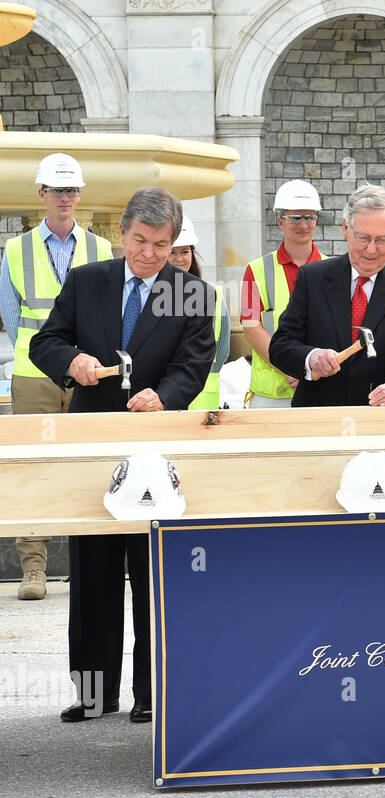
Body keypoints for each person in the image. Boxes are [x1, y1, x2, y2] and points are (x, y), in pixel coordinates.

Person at [28, 188, 215, 723]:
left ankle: (150, 694)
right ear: (121, 234)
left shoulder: (191, 293)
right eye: (140, 241)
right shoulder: (89, 281)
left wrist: (168, 395)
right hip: (93, 442)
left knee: (153, 571)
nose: (150, 253)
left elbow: (194, 362)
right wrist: (73, 361)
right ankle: (93, 693)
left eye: (161, 244)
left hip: (156, 445)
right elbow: (47, 341)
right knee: (91, 572)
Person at [1, 153, 113, 600]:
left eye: (71, 190)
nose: (65, 198)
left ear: (79, 195)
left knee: (93, 463)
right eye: (57, 190)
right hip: (35, 374)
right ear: (41, 194)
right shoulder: (15, 249)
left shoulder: (101, 249)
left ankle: (101, 563)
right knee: (35, 469)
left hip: (87, 372)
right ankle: (33, 567)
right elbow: (12, 317)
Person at [269, 184, 385, 407]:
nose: (371, 250)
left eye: (382, 240)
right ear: (346, 229)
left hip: (383, 419)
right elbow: (281, 345)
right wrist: (310, 358)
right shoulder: (313, 278)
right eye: (363, 238)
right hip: (319, 416)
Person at [239, 180, 327, 408]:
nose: (304, 224)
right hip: (271, 396)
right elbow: (251, 328)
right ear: (281, 222)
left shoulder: (335, 269)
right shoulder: (254, 270)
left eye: (309, 217)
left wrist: (309, 369)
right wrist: (294, 366)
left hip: (323, 388)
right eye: (296, 218)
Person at [168, 215, 230, 410]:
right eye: (173, 252)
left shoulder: (214, 296)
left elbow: (222, 352)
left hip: (203, 402)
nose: (179, 258)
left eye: (185, 251)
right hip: (162, 398)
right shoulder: (150, 295)